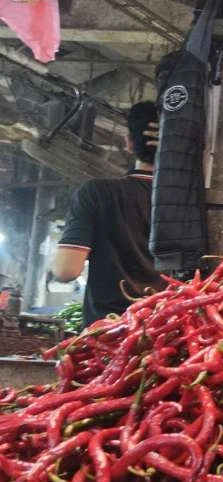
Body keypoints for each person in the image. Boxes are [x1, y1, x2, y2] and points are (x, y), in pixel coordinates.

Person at [50, 102, 168, 328]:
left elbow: (66, 271)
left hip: (107, 333)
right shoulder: (191, 202)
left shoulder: (96, 193)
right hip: (168, 331)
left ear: (129, 142)